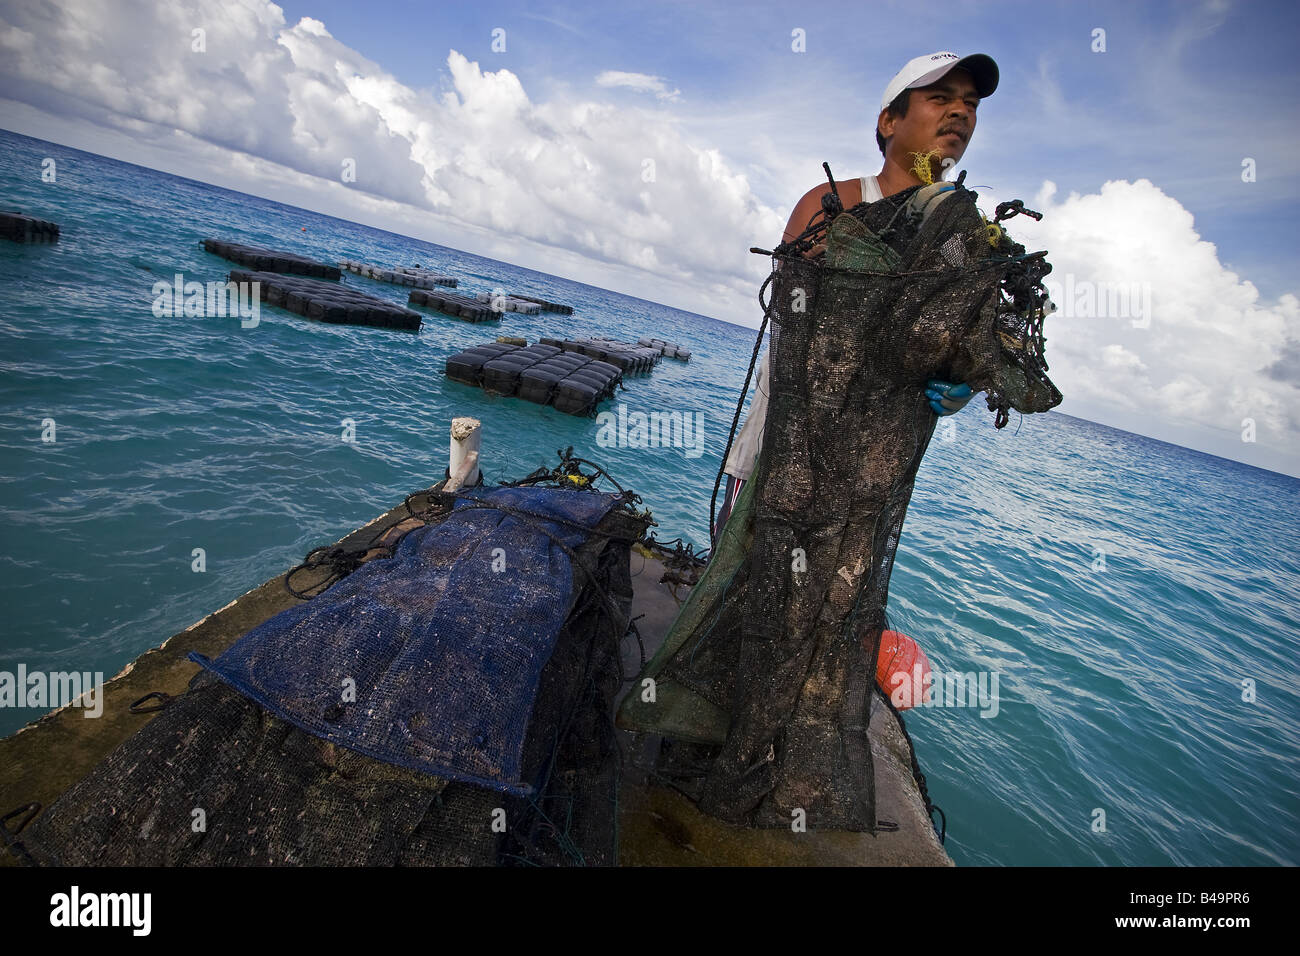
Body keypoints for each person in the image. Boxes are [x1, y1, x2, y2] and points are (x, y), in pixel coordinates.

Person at [712, 51, 999, 545]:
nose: (961, 112)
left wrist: (962, 387)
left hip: (866, 484)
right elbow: (795, 316)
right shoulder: (835, 204)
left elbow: (968, 345)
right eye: (940, 99)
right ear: (889, 120)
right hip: (776, 453)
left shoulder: (967, 242)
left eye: (970, 104)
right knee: (740, 586)